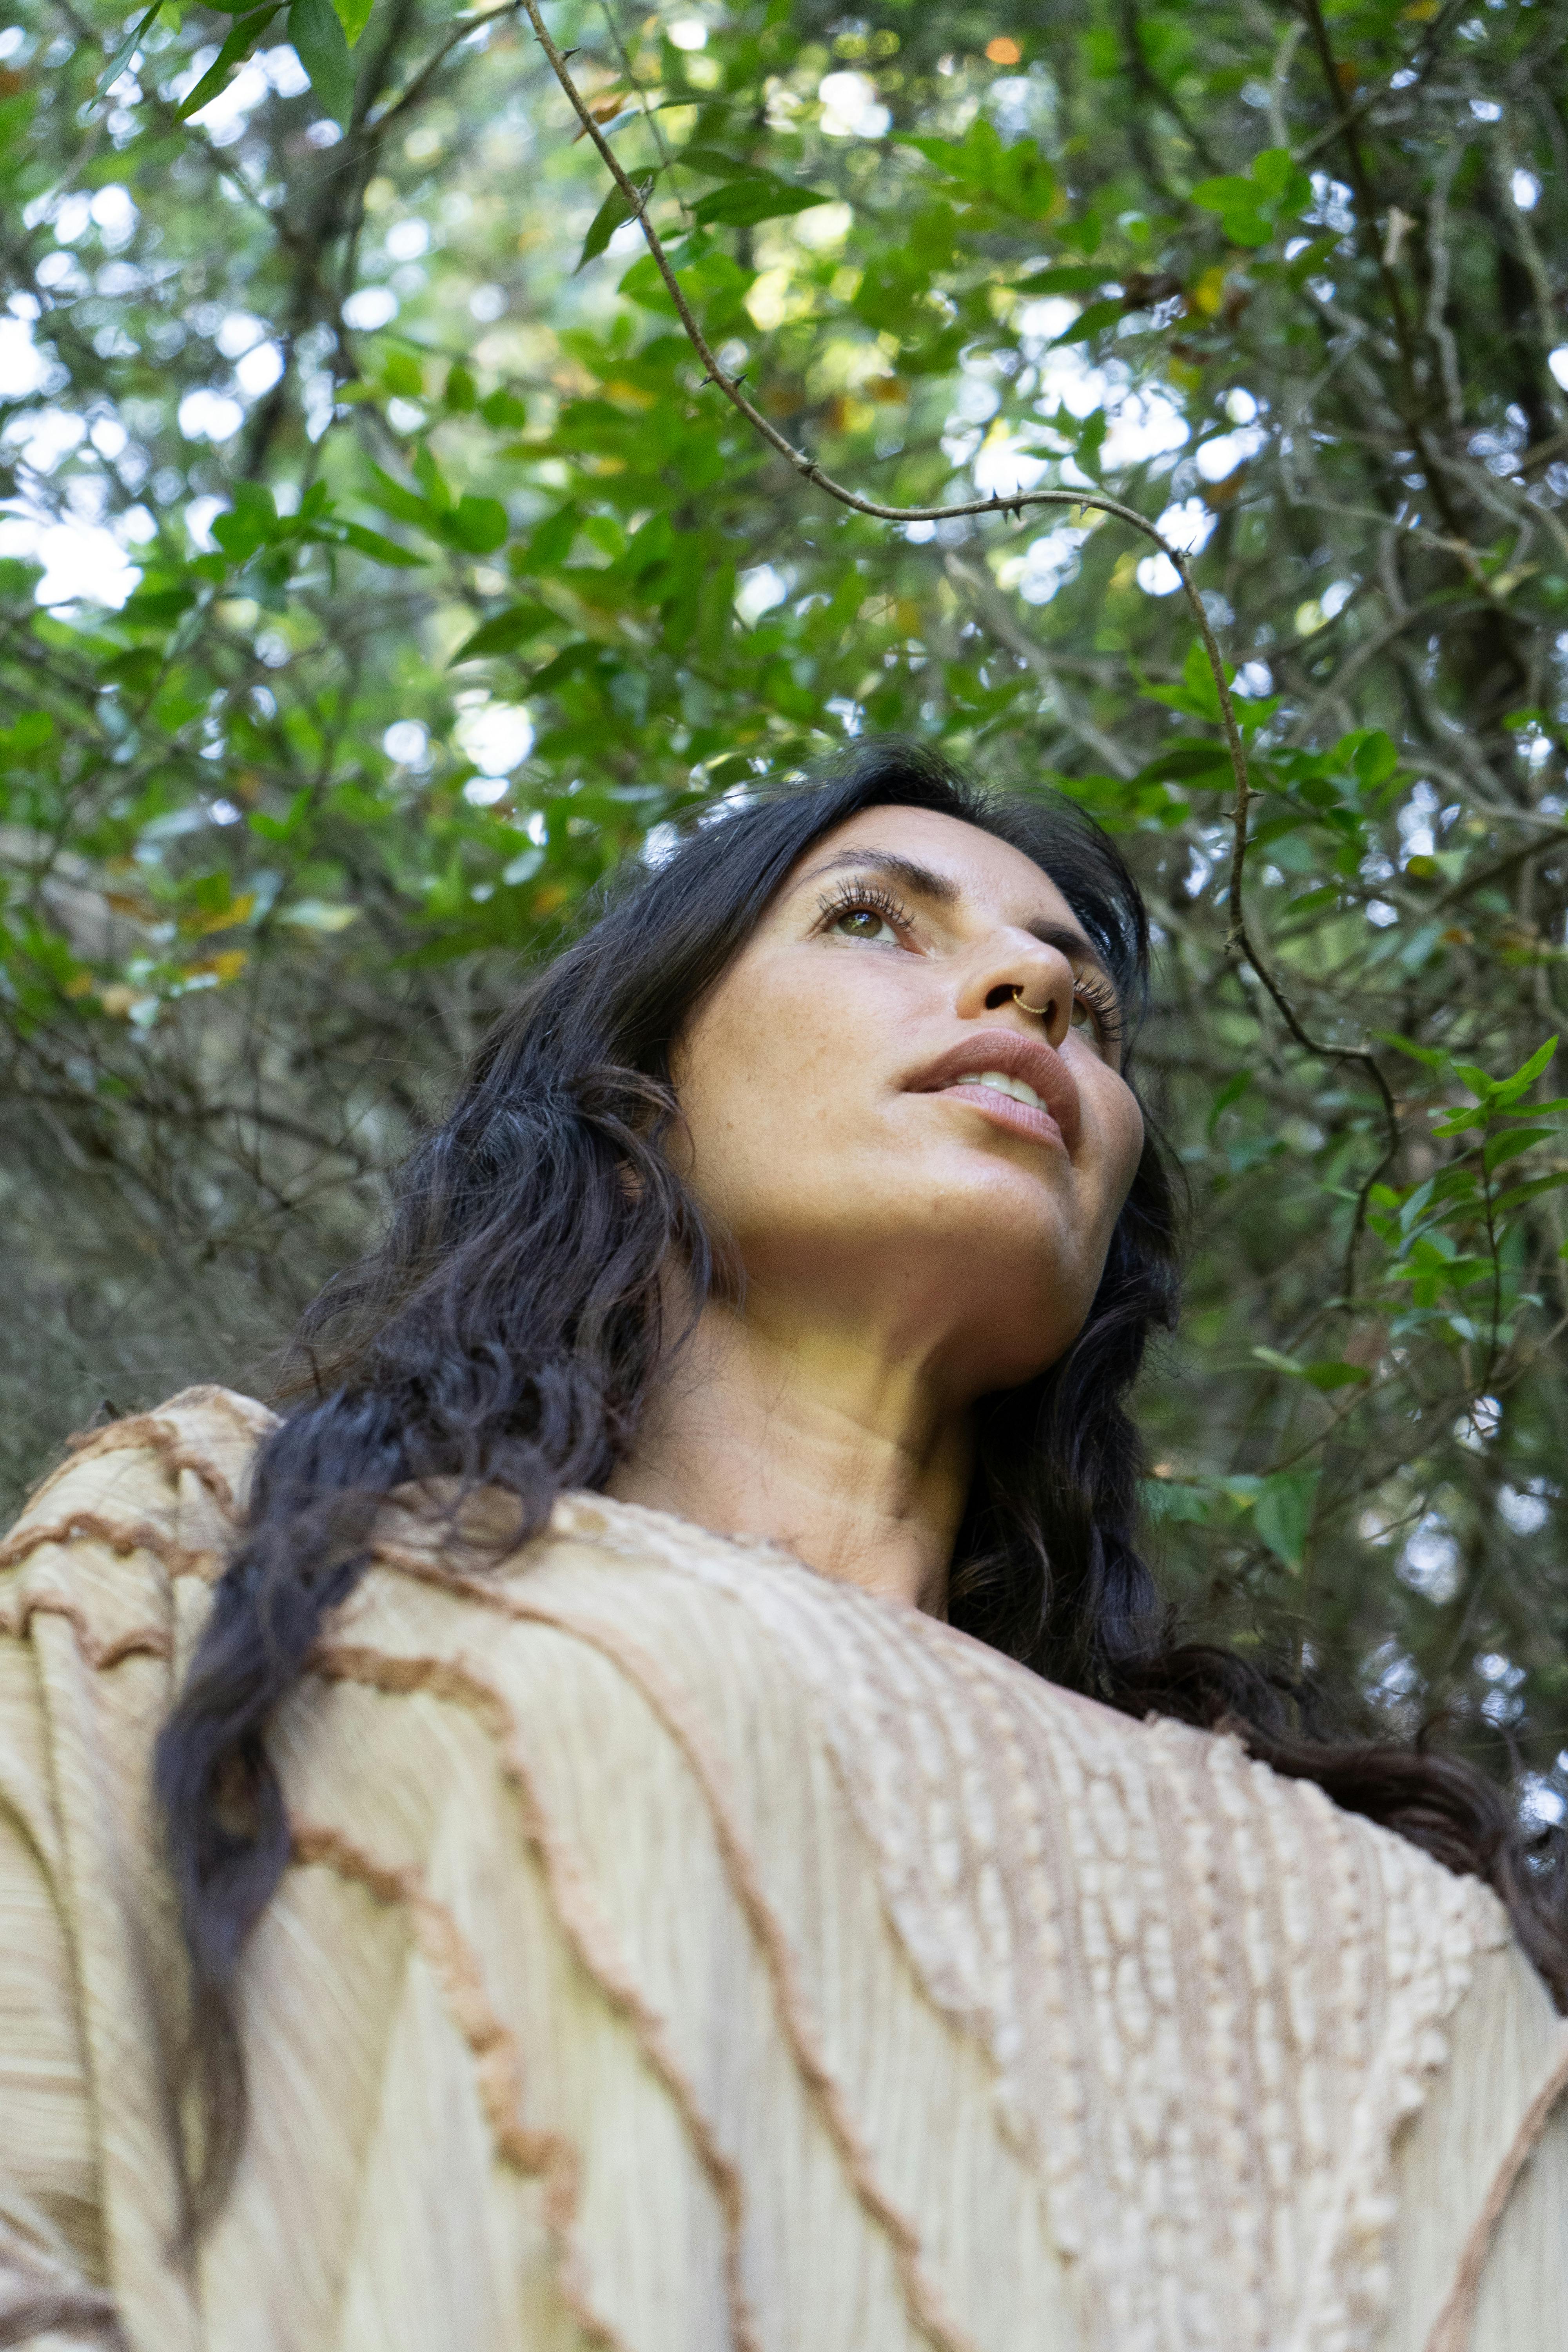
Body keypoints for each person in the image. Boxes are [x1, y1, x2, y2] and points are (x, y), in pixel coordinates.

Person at [1, 744, 1564, 2352]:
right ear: (630, 1107)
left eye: (1087, 1012)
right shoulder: (236, 1540)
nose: (1029, 984)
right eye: (876, 922)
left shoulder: (1368, 1876)